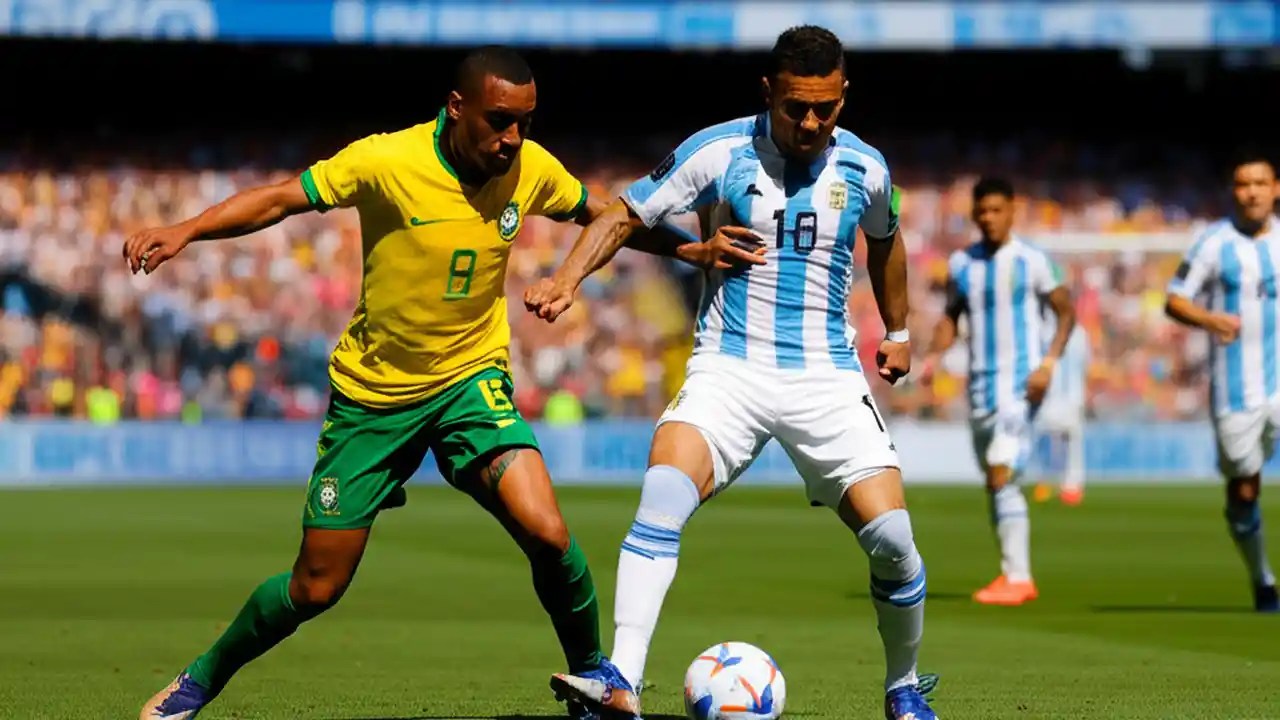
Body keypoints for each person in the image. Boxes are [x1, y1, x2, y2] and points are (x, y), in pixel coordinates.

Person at [128, 46, 746, 720]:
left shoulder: (530, 170)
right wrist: (185, 229)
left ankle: (595, 683)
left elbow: (603, 215)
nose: (513, 139)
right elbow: (282, 199)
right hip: (374, 399)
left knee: (547, 532)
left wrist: (687, 249)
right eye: (499, 121)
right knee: (315, 586)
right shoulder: (386, 162)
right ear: (458, 109)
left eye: (526, 123)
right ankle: (200, 681)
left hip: (468, 385)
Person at [525, 25, 938, 720]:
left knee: (894, 541)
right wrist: (567, 278)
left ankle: (902, 687)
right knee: (662, 491)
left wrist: (898, 332)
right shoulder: (717, 151)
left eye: (826, 109)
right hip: (730, 370)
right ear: (767, 92)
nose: (811, 123)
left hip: (827, 381)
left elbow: (886, 241)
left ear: (844, 97)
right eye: (796, 107)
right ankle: (618, 680)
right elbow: (626, 212)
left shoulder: (866, 167)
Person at [920, 177, 1076, 607]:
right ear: (974, 215)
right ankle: (1011, 572)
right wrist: (933, 357)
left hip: (1021, 386)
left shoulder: (1034, 261)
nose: (989, 218)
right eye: (982, 211)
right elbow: (951, 317)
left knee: (1001, 471)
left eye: (996, 210)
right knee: (994, 481)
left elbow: (1066, 312)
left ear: (1012, 211)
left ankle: (1018, 577)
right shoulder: (961, 264)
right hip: (981, 391)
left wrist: (1048, 364)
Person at [1164, 151, 1280, 613]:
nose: (1250, 191)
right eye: (1241, 184)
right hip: (1237, 390)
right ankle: (1263, 579)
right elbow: (1175, 299)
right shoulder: (1213, 242)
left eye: (1258, 183)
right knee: (1244, 488)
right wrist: (1211, 319)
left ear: (1275, 188)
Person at [1031, 322, 1090, 506]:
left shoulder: (1043, 330)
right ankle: (1069, 485)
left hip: (1054, 395)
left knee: (1046, 439)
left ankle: (1047, 482)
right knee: (1069, 442)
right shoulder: (1079, 332)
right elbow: (1086, 364)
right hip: (1068, 396)